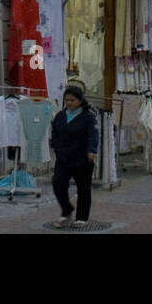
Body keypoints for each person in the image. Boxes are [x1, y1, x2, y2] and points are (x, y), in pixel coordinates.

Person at [48, 84, 98, 228]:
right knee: (58, 184)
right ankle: (67, 209)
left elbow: (93, 135)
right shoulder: (60, 116)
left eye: (72, 100)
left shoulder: (88, 117)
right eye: (66, 100)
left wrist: (91, 150)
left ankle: (82, 218)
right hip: (63, 158)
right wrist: (56, 147)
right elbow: (55, 132)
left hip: (82, 158)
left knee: (83, 188)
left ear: (80, 101)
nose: (68, 103)